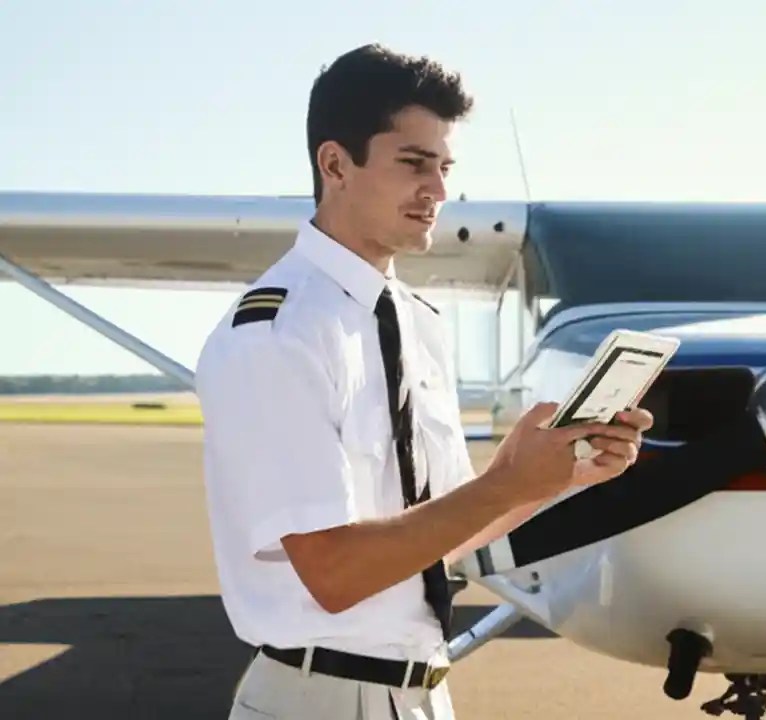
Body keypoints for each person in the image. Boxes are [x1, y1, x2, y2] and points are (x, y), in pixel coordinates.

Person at [195, 43, 652, 720]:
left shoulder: (417, 324)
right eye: (413, 164)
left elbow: (440, 541)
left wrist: (554, 477)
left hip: (422, 697)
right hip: (318, 701)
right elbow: (333, 572)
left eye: (444, 167)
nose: (438, 191)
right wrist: (507, 482)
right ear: (335, 164)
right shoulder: (278, 333)